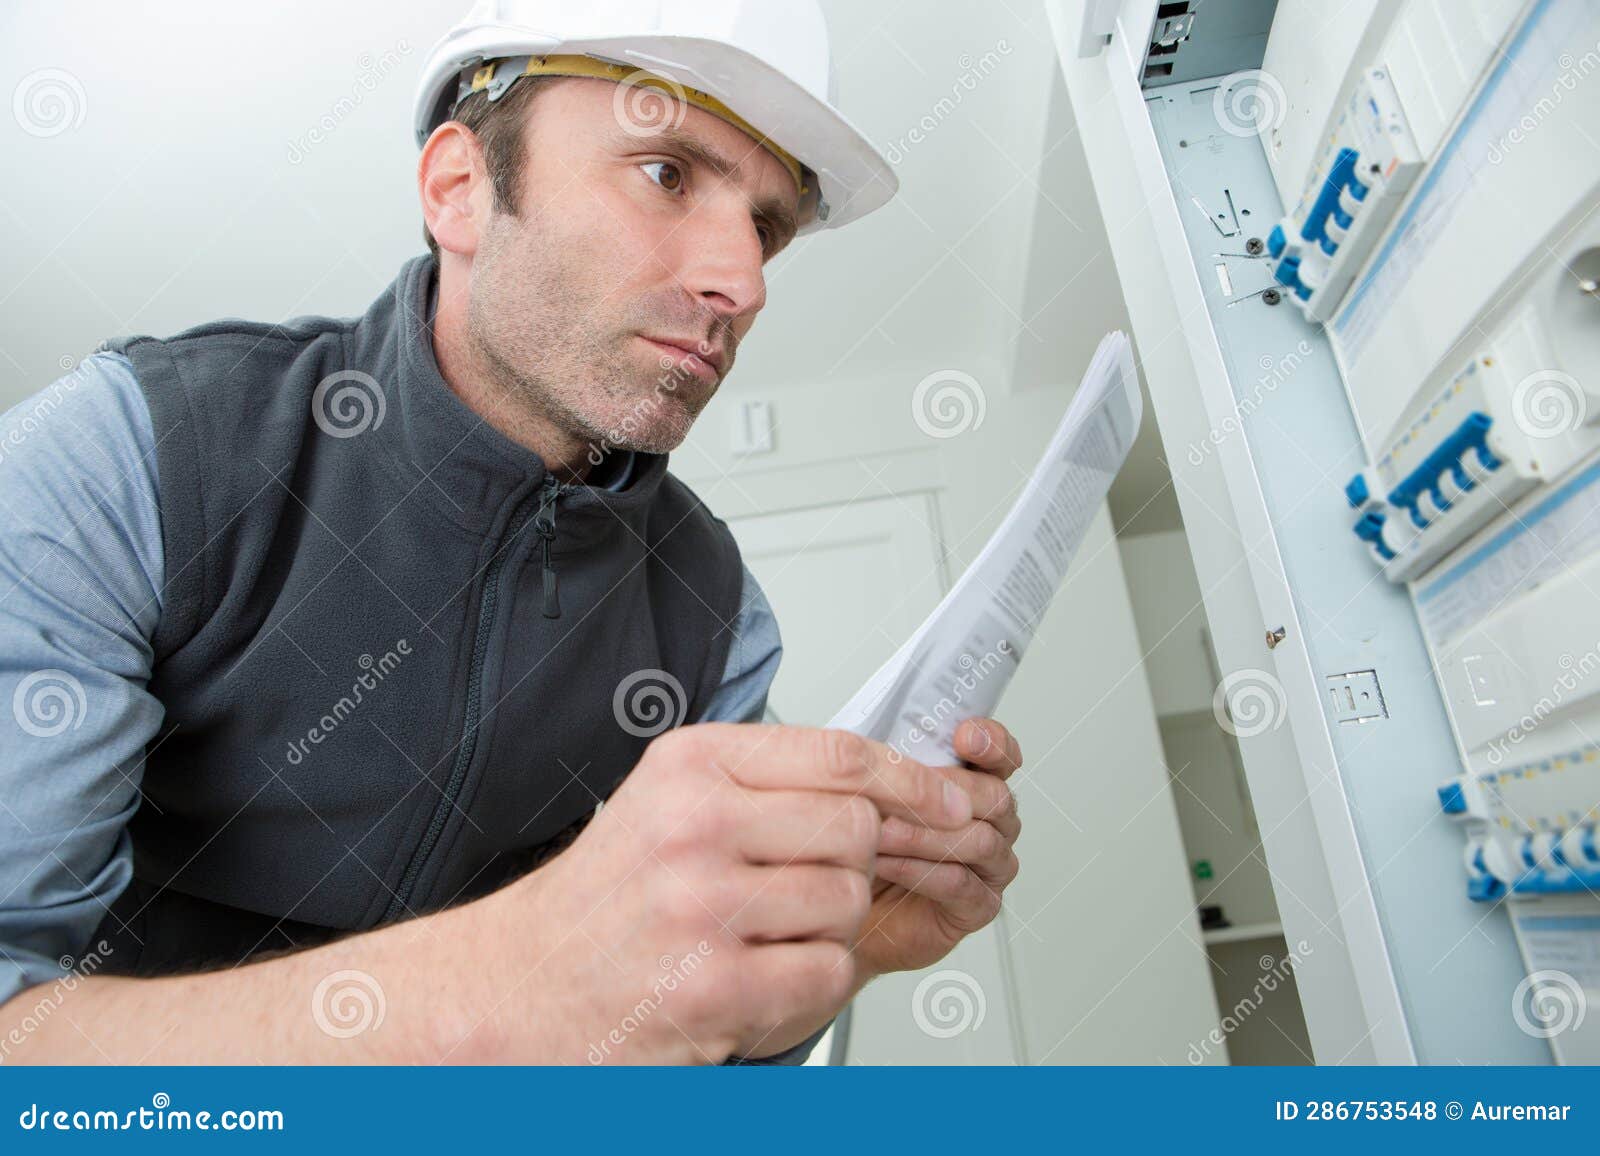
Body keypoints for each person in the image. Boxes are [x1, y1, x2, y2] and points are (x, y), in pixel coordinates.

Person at [0, 0, 1023, 1064]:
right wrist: (526, 968)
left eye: (766, 226)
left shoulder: (715, 617)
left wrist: (826, 956)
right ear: (460, 189)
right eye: (667, 172)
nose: (744, 280)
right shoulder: (138, 458)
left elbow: (683, 1059)